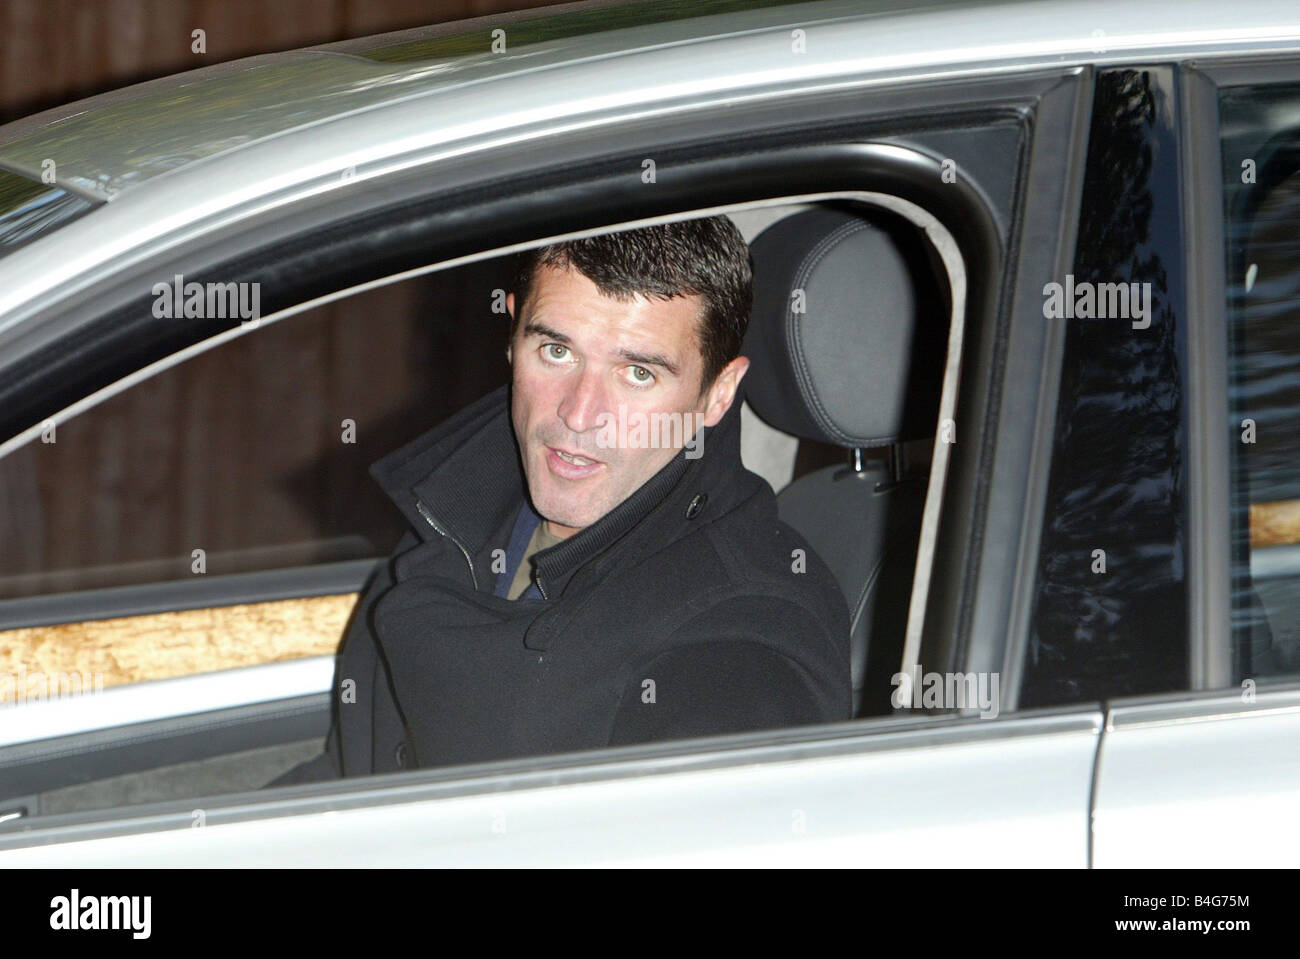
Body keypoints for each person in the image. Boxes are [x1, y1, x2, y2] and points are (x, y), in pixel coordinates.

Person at [268, 216, 850, 784]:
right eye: (556, 352)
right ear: (514, 336)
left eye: (638, 374)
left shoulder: (740, 647)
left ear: (717, 394)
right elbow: (345, 776)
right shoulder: (453, 512)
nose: (579, 412)